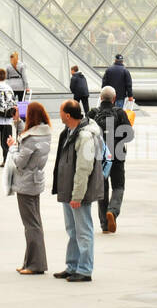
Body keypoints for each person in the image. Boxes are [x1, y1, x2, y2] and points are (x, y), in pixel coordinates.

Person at [50, 99, 101, 281]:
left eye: (61, 111)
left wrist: (77, 195)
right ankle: (72, 266)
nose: (59, 114)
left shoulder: (85, 136)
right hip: (68, 189)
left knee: (83, 231)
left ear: (68, 115)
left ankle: (85, 269)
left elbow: (83, 169)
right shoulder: (70, 131)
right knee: (72, 230)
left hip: (78, 192)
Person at [8, 101, 53, 274]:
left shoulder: (31, 139)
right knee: (35, 222)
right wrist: (17, 122)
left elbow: (20, 161)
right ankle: (30, 262)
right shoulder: (45, 133)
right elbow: (27, 139)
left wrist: (12, 148)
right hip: (36, 180)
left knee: (31, 225)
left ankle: (36, 264)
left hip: (25, 182)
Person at [88, 86, 134, 233]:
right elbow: (129, 134)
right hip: (117, 155)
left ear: (101, 98)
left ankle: (104, 225)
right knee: (118, 186)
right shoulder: (119, 113)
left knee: (102, 189)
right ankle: (112, 212)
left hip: (99, 156)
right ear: (114, 99)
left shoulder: (93, 114)